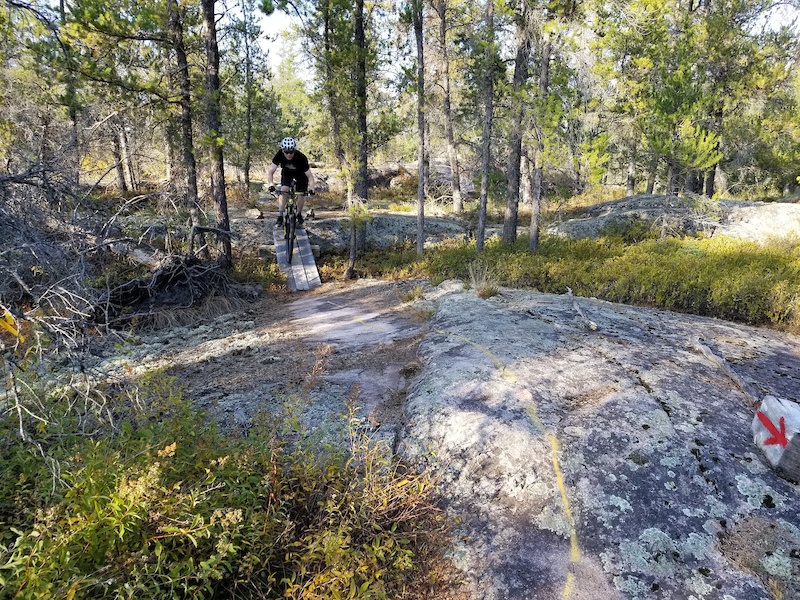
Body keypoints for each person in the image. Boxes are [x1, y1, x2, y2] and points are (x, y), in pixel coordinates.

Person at [267, 137, 316, 227]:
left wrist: (311, 188)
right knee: (284, 190)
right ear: (283, 150)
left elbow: (310, 176)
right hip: (287, 173)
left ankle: (299, 214)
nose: (289, 154)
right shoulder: (279, 155)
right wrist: (270, 184)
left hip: (301, 175)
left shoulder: (301, 157)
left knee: (301, 195)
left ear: (294, 150)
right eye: (286, 152)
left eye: (291, 152)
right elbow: (271, 171)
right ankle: (280, 215)